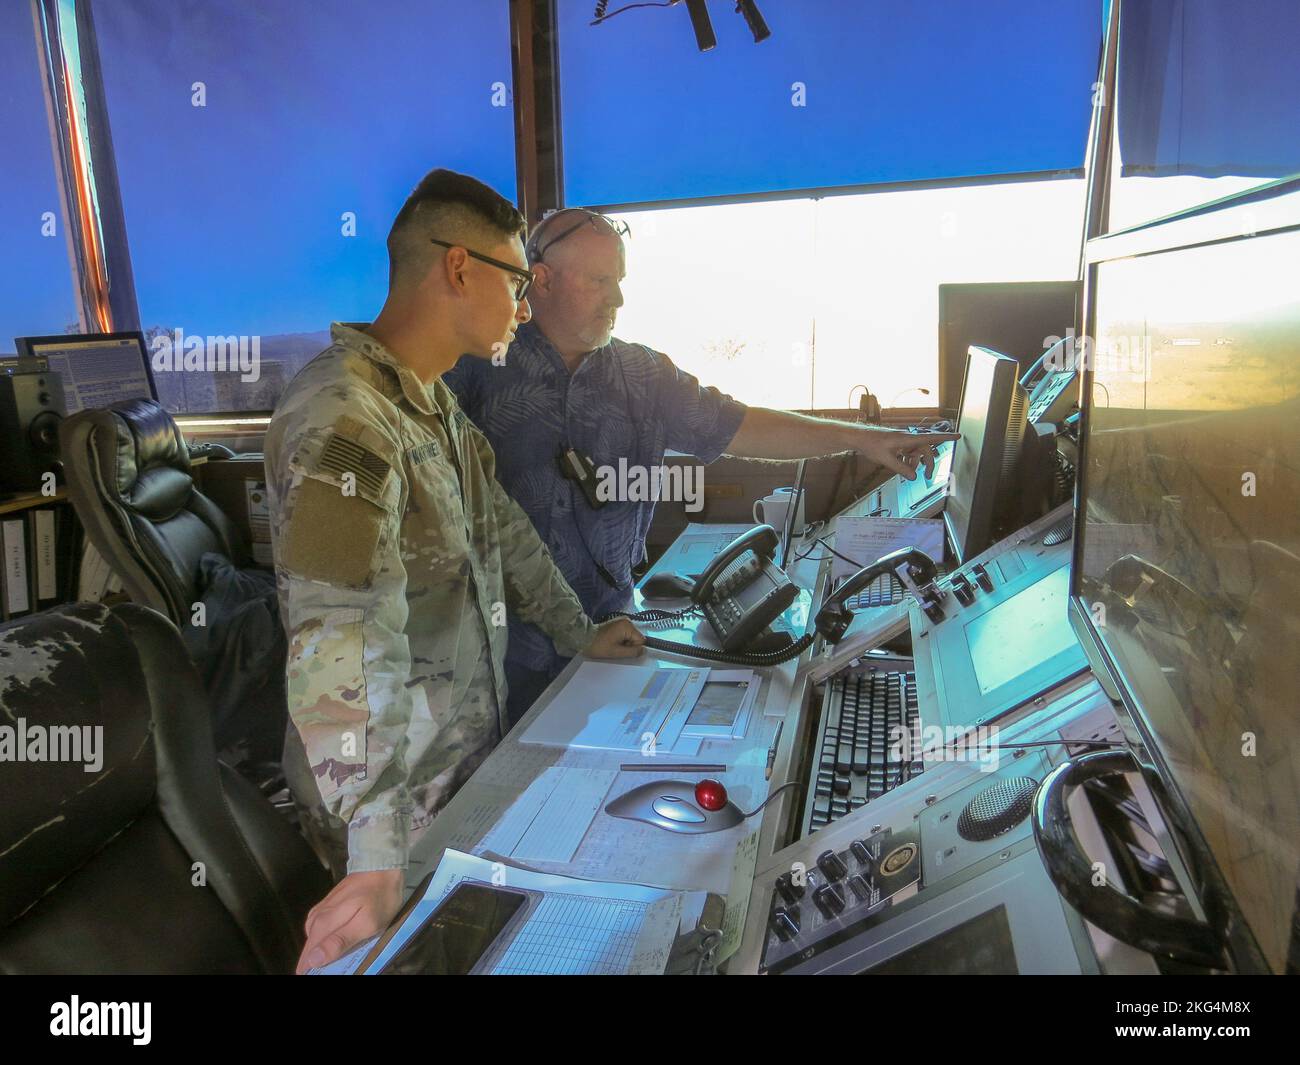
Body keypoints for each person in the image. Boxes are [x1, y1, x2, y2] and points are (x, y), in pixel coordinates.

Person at [265, 172, 644, 973]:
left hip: (461, 766)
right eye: (517, 279)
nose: (526, 304)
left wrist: (581, 635)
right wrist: (374, 849)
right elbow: (340, 628)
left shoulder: (433, 407)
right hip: (387, 800)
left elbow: (505, 533)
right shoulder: (345, 418)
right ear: (460, 268)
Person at [443, 208, 955, 724]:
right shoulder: (472, 370)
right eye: (600, 281)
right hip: (500, 654)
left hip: (614, 630)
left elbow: (738, 424)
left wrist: (861, 439)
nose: (617, 299)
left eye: (619, 281)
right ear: (542, 280)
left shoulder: (641, 373)